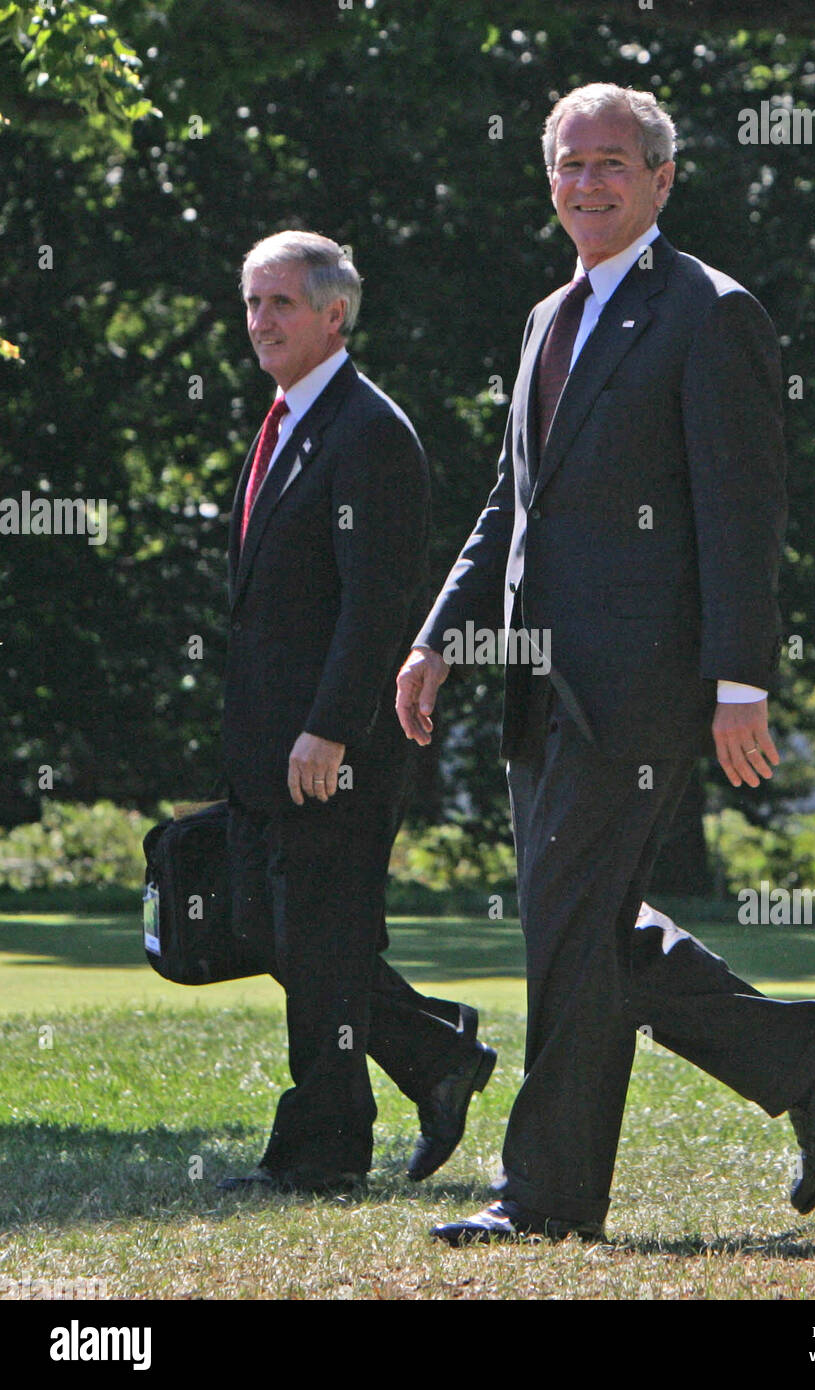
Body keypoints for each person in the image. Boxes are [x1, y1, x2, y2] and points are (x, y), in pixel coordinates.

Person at [396, 84, 815, 1242]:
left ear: (661, 178)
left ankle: (547, 1201)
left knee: (568, 930)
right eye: (568, 163)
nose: (586, 182)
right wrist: (436, 635)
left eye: (612, 162)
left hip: (640, 691)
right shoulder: (543, 316)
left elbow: (741, 509)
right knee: (591, 931)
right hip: (536, 682)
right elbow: (511, 503)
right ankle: (808, 1057)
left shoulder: (711, 313)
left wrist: (740, 682)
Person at [219, 230, 495, 1196]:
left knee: (321, 939)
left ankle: (325, 1148)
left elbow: (380, 604)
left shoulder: (369, 430)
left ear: (334, 316)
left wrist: (331, 726)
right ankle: (434, 1056)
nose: (259, 322)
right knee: (285, 930)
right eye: (252, 303)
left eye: (280, 304)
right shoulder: (289, 419)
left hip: (335, 744)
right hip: (275, 741)